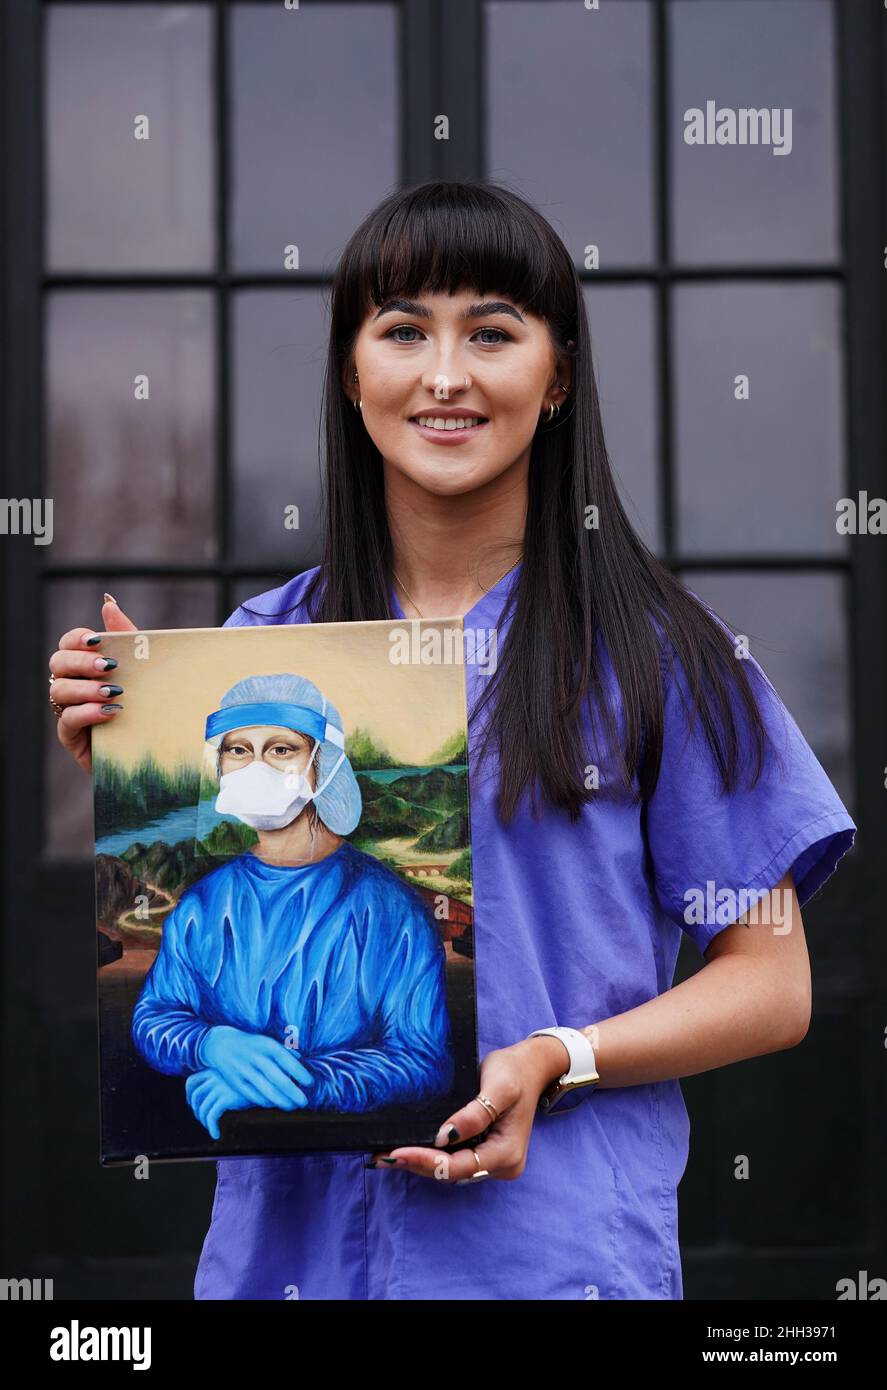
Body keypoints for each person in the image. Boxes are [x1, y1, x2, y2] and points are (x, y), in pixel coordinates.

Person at [48, 179, 856, 1301]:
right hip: (289, 1269)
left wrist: (561, 1058)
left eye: (490, 332)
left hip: (552, 1262)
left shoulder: (662, 653)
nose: (443, 375)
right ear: (350, 372)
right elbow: (174, 985)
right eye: (401, 331)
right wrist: (128, 764)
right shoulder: (252, 647)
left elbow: (771, 984)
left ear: (556, 374)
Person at [130, 673, 454, 1139]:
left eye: (281, 749)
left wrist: (288, 1084)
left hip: (372, 1159)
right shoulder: (202, 906)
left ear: (323, 765)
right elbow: (155, 1015)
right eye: (238, 750)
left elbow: (422, 1061)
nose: (255, 767)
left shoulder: (392, 912)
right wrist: (208, 1043)